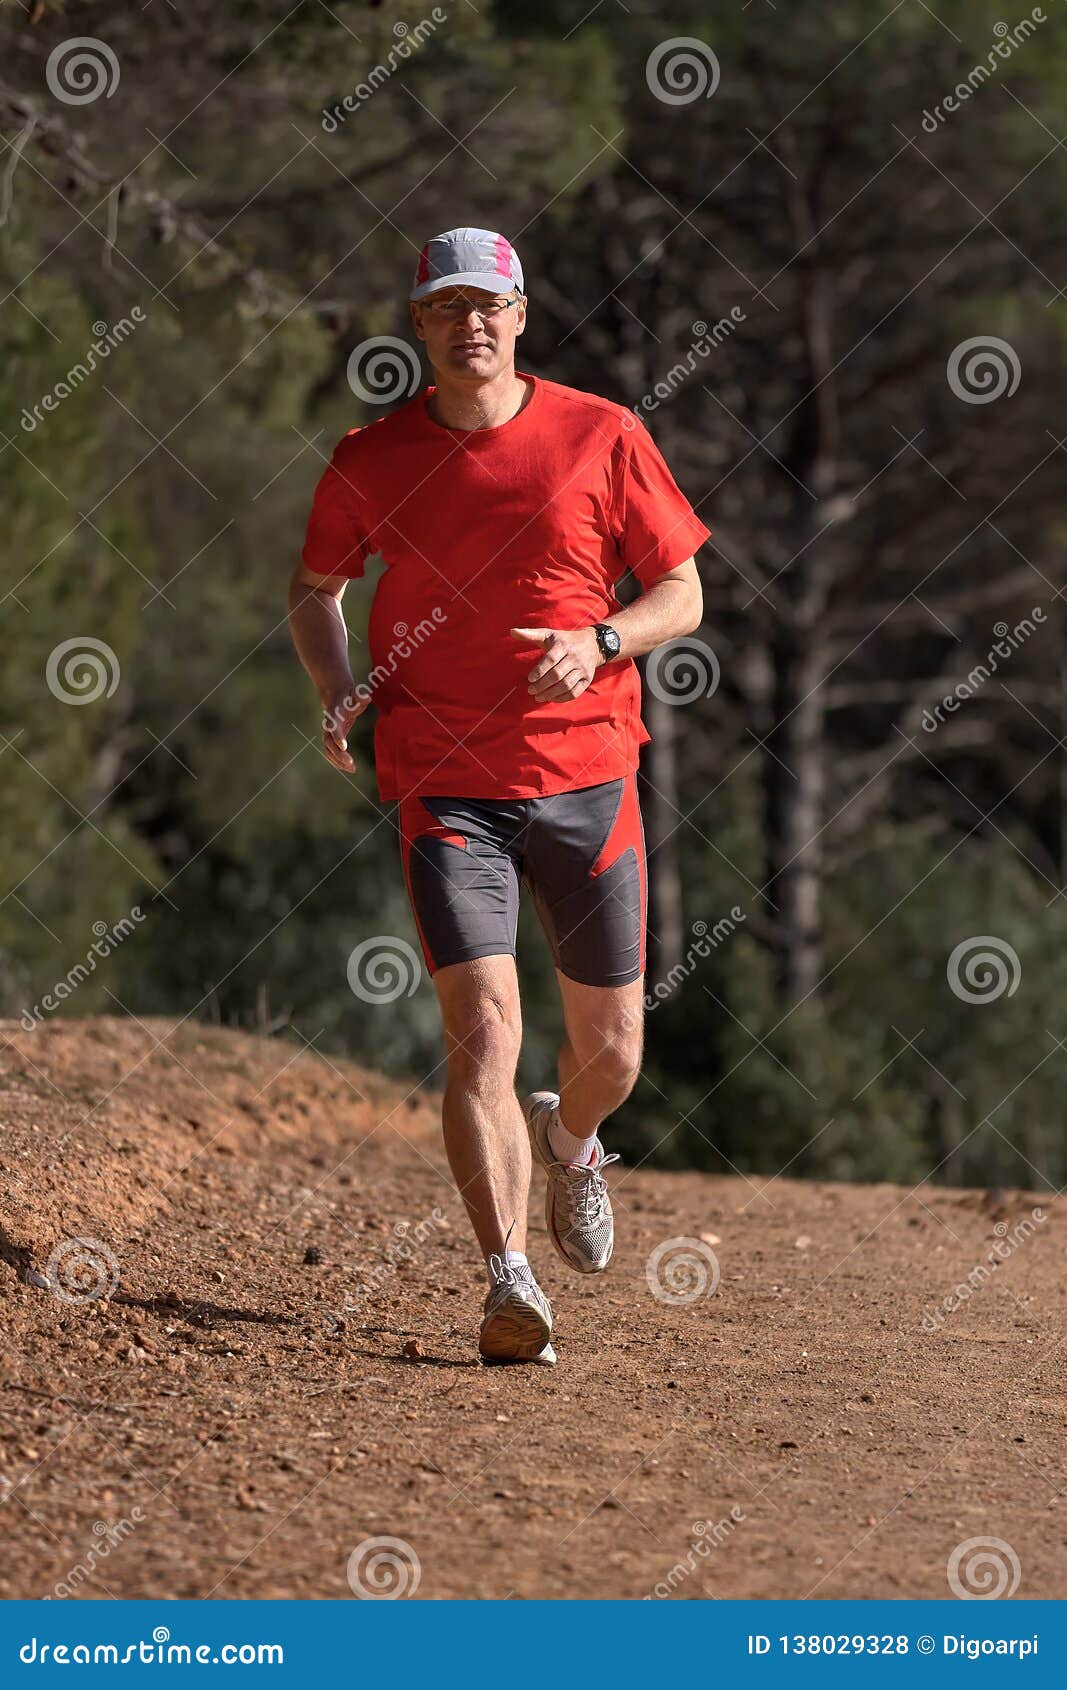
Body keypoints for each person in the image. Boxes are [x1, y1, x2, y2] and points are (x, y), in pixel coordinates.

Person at [288, 227, 710, 1366]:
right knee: (481, 1030)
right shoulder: (369, 457)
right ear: (419, 325)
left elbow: (682, 589)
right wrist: (339, 690)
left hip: (587, 775)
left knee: (611, 1052)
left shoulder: (600, 434)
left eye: (490, 305)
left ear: (520, 317)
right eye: (445, 307)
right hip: (445, 784)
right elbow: (314, 589)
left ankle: (570, 1138)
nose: (469, 323)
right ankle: (507, 1281)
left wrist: (603, 637)